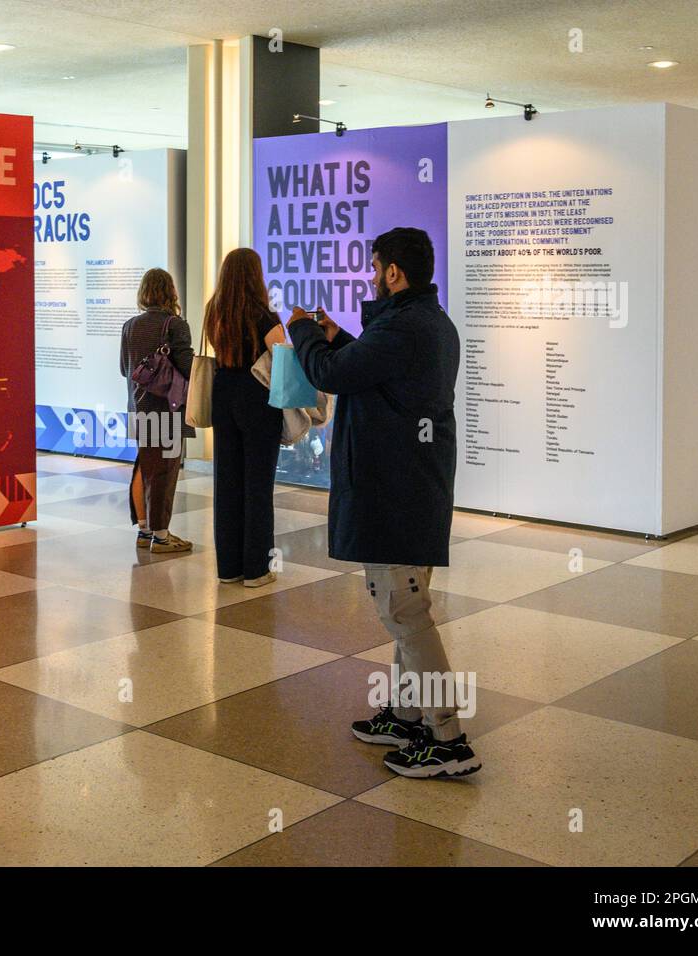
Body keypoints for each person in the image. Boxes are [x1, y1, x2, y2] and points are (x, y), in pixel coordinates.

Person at [287, 227, 480, 779]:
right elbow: (376, 372)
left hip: (397, 487)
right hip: (412, 482)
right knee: (405, 606)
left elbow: (329, 373)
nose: (372, 277)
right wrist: (339, 335)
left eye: (375, 268)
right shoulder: (426, 322)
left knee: (404, 610)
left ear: (394, 272)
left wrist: (303, 331)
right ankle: (407, 713)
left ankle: (447, 738)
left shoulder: (404, 326)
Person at [204, 248, 285, 587]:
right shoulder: (262, 313)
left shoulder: (215, 310)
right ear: (255, 275)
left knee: (228, 482)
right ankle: (257, 568)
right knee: (258, 484)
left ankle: (229, 568)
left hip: (222, 394)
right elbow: (283, 354)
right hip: (257, 397)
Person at [120, 268, 194, 553]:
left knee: (145, 467)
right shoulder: (175, 325)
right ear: (170, 292)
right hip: (168, 408)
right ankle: (162, 536)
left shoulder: (129, 325)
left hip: (138, 409)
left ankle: (144, 530)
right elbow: (188, 367)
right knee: (165, 471)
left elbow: (124, 369)